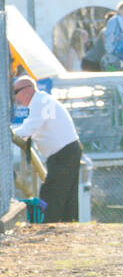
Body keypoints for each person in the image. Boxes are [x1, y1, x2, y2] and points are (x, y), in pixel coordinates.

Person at [11, 75, 83, 223]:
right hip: (66, 151)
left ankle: (51, 224)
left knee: (51, 192)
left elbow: (29, 129)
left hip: (64, 153)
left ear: (27, 89)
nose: (15, 97)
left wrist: (8, 133)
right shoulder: (42, 101)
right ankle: (67, 223)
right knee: (66, 192)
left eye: (15, 92)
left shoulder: (40, 102)